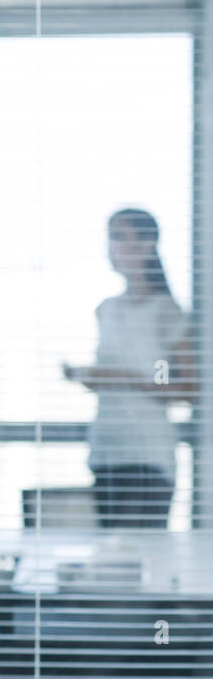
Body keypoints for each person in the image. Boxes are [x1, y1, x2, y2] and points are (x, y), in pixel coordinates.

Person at [63, 208, 197, 528]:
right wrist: (88, 376)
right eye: (111, 237)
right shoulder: (107, 309)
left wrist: (119, 378)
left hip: (147, 454)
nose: (113, 247)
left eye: (121, 237)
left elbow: (169, 383)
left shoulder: (163, 311)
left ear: (148, 244)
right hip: (107, 448)